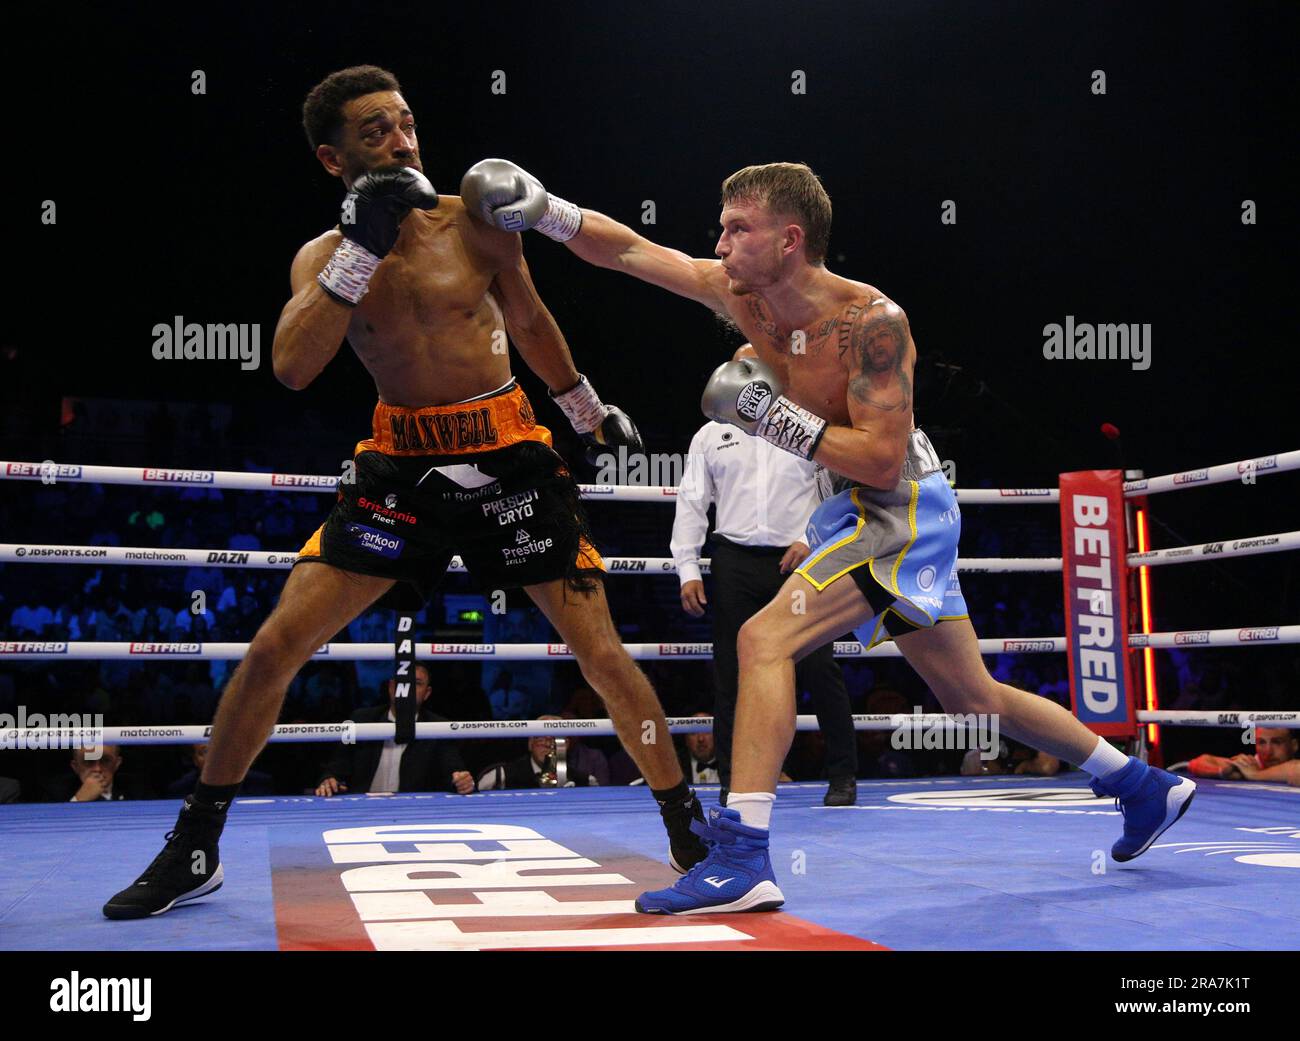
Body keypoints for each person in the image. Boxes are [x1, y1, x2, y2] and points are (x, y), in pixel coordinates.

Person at [462, 158, 1197, 914]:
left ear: (790, 238)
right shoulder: (740, 294)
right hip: (858, 509)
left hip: (899, 507)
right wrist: (548, 210)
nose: (718, 244)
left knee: (763, 638)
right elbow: (631, 252)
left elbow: (881, 456)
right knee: (968, 691)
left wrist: (767, 415)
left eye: (736, 228)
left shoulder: (872, 324)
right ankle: (1142, 786)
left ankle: (743, 853)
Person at [101, 66, 706, 922]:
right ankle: (196, 844)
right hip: (398, 469)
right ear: (332, 157)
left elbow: (529, 320)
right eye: (376, 131)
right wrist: (360, 248)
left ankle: (689, 834)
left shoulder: (479, 222)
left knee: (601, 652)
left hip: (511, 458)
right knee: (275, 647)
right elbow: (293, 367)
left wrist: (583, 408)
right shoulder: (322, 259)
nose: (402, 141)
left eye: (407, 123)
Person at [674, 343, 858, 805]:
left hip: (802, 561)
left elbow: (840, 495)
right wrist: (687, 568)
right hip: (735, 561)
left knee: (819, 667)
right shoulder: (711, 434)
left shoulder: (809, 427)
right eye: (741, 366)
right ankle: (734, 782)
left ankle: (843, 776)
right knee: (731, 672)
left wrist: (811, 539)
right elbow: (692, 501)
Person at [315, 664, 474, 796]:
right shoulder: (360, 719)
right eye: (402, 682)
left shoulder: (438, 727)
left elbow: (454, 772)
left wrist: (462, 781)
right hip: (362, 810)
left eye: (417, 683)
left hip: (415, 812)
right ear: (391, 687)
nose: (407, 689)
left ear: (427, 693)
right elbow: (337, 766)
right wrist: (329, 780)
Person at [1189, 726, 1298, 786]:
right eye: (1261, 742)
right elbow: (1196, 763)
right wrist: (1222, 771)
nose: (1268, 751)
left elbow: (1296, 769)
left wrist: (1256, 775)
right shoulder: (1250, 764)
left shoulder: (1252, 770)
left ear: (1294, 745)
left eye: (1276, 742)